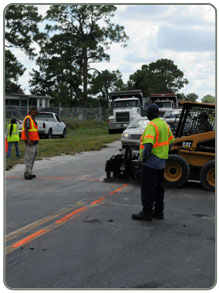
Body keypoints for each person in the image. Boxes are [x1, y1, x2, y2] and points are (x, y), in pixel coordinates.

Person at [132, 104, 175, 221]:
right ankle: (159, 212)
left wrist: (144, 158)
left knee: (148, 188)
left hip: (151, 162)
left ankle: (146, 212)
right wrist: (164, 151)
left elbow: (148, 144)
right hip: (161, 162)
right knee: (159, 188)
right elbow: (172, 141)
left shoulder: (151, 125)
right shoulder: (164, 125)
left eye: (147, 113)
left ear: (150, 114)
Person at [21, 107, 40, 180]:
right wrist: (28, 140)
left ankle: (30, 172)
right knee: (29, 158)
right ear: (31, 111)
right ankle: (27, 173)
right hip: (30, 142)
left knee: (32, 157)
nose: (36, 113)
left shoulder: (32, 118)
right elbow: (26, 129)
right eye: (35, 112)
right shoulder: (28, 119)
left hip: (34, 142)